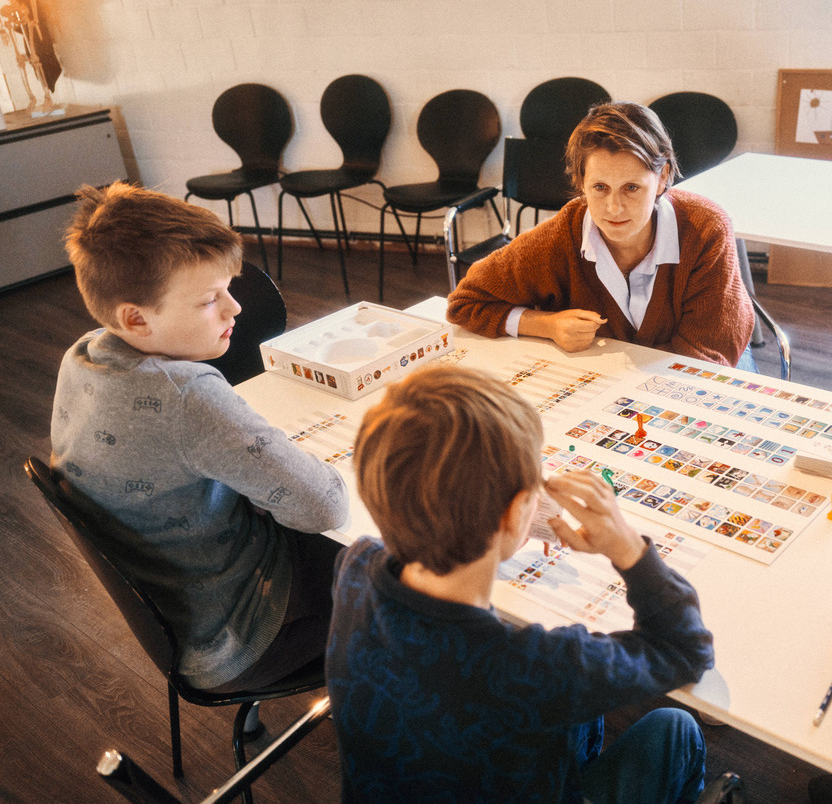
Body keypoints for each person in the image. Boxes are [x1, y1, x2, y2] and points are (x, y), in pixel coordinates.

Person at [327, 364, 714, 803]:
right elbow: (686, 649)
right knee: (676, 728)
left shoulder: (354, 564)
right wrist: (626, 546)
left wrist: (498, 509)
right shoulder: (536, 667)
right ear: (515, 514)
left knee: (576, 722)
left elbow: (417, 507)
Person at [51, 182, 348, 696]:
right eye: (211, 299)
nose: (234, 309)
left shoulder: (83, 353)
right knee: (394, 547)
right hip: (245, 636)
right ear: (136, 318)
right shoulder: (186, 395)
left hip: (180, 612)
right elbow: (325, 507)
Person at [446, 101, 755, 369]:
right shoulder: (559, 237)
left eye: (631, 188)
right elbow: (465, 304)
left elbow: (705, 358)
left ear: (662, 178)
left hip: (703, 377)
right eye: (600, 188)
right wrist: (546, 325)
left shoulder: (705, 228)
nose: (614, 208)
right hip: (612, 384)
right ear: (581, 183)